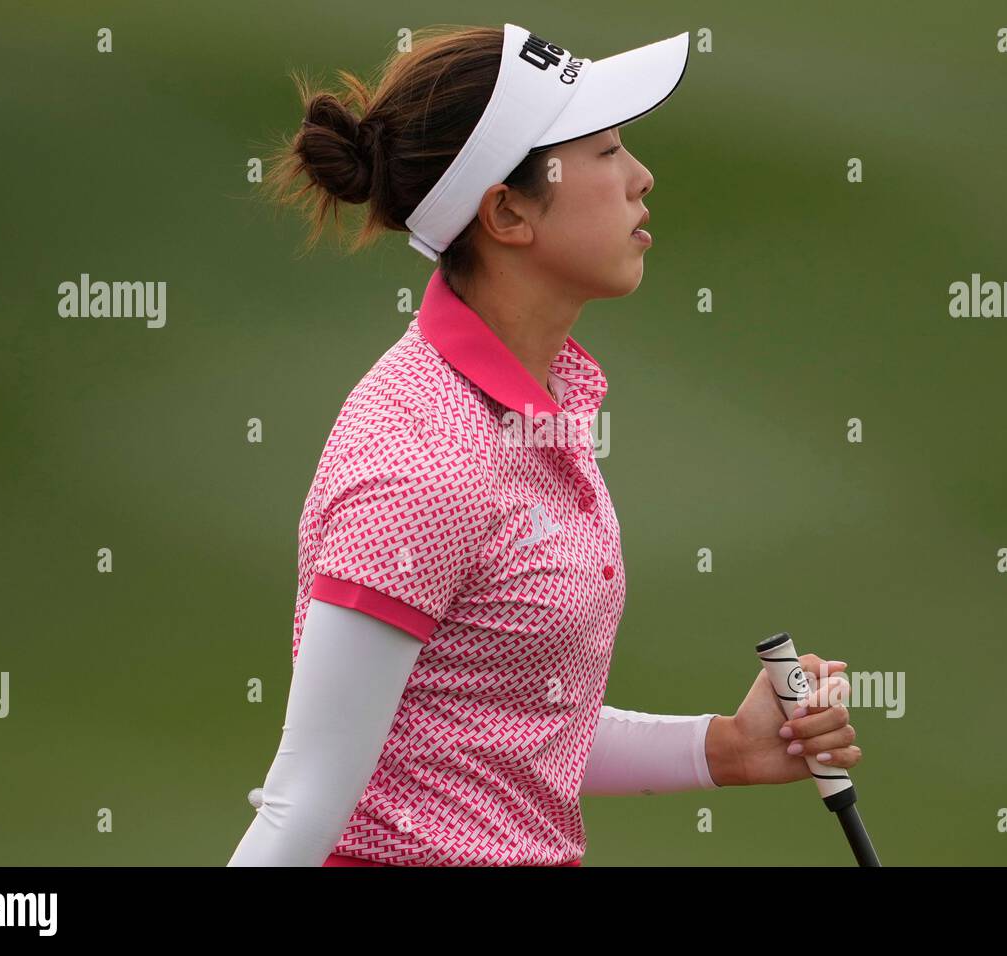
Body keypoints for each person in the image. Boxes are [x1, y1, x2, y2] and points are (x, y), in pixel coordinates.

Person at [228, 22, 862, 868]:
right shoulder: (423, 454)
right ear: (507, 212)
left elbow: (497, 724)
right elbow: (302, 802)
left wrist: (725, 750)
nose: (641, 177)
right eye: (603, 151)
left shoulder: (537, 405)